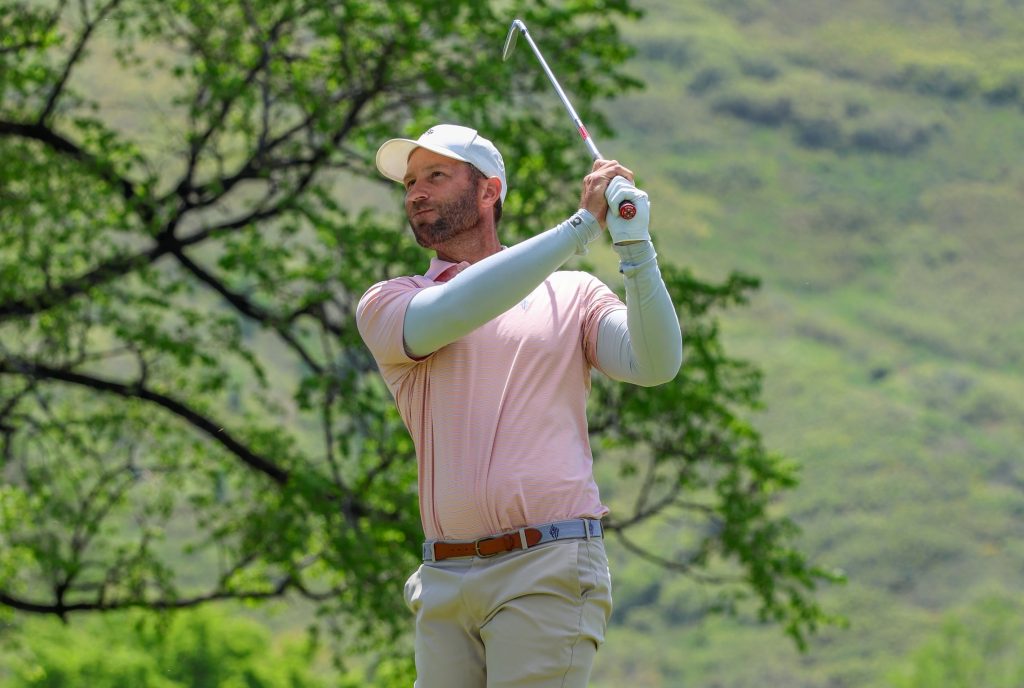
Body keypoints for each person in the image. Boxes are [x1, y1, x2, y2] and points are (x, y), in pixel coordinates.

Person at [356, 124, 682, 688]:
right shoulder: (391, 301)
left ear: (489, 192)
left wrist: (636, 248)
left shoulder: (573, 293)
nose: (416, 193)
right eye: (410, 182)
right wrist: (580, 227)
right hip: (443, 577)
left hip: (546, 565)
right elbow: (454, 311)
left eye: (436, 175)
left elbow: (654, 363)